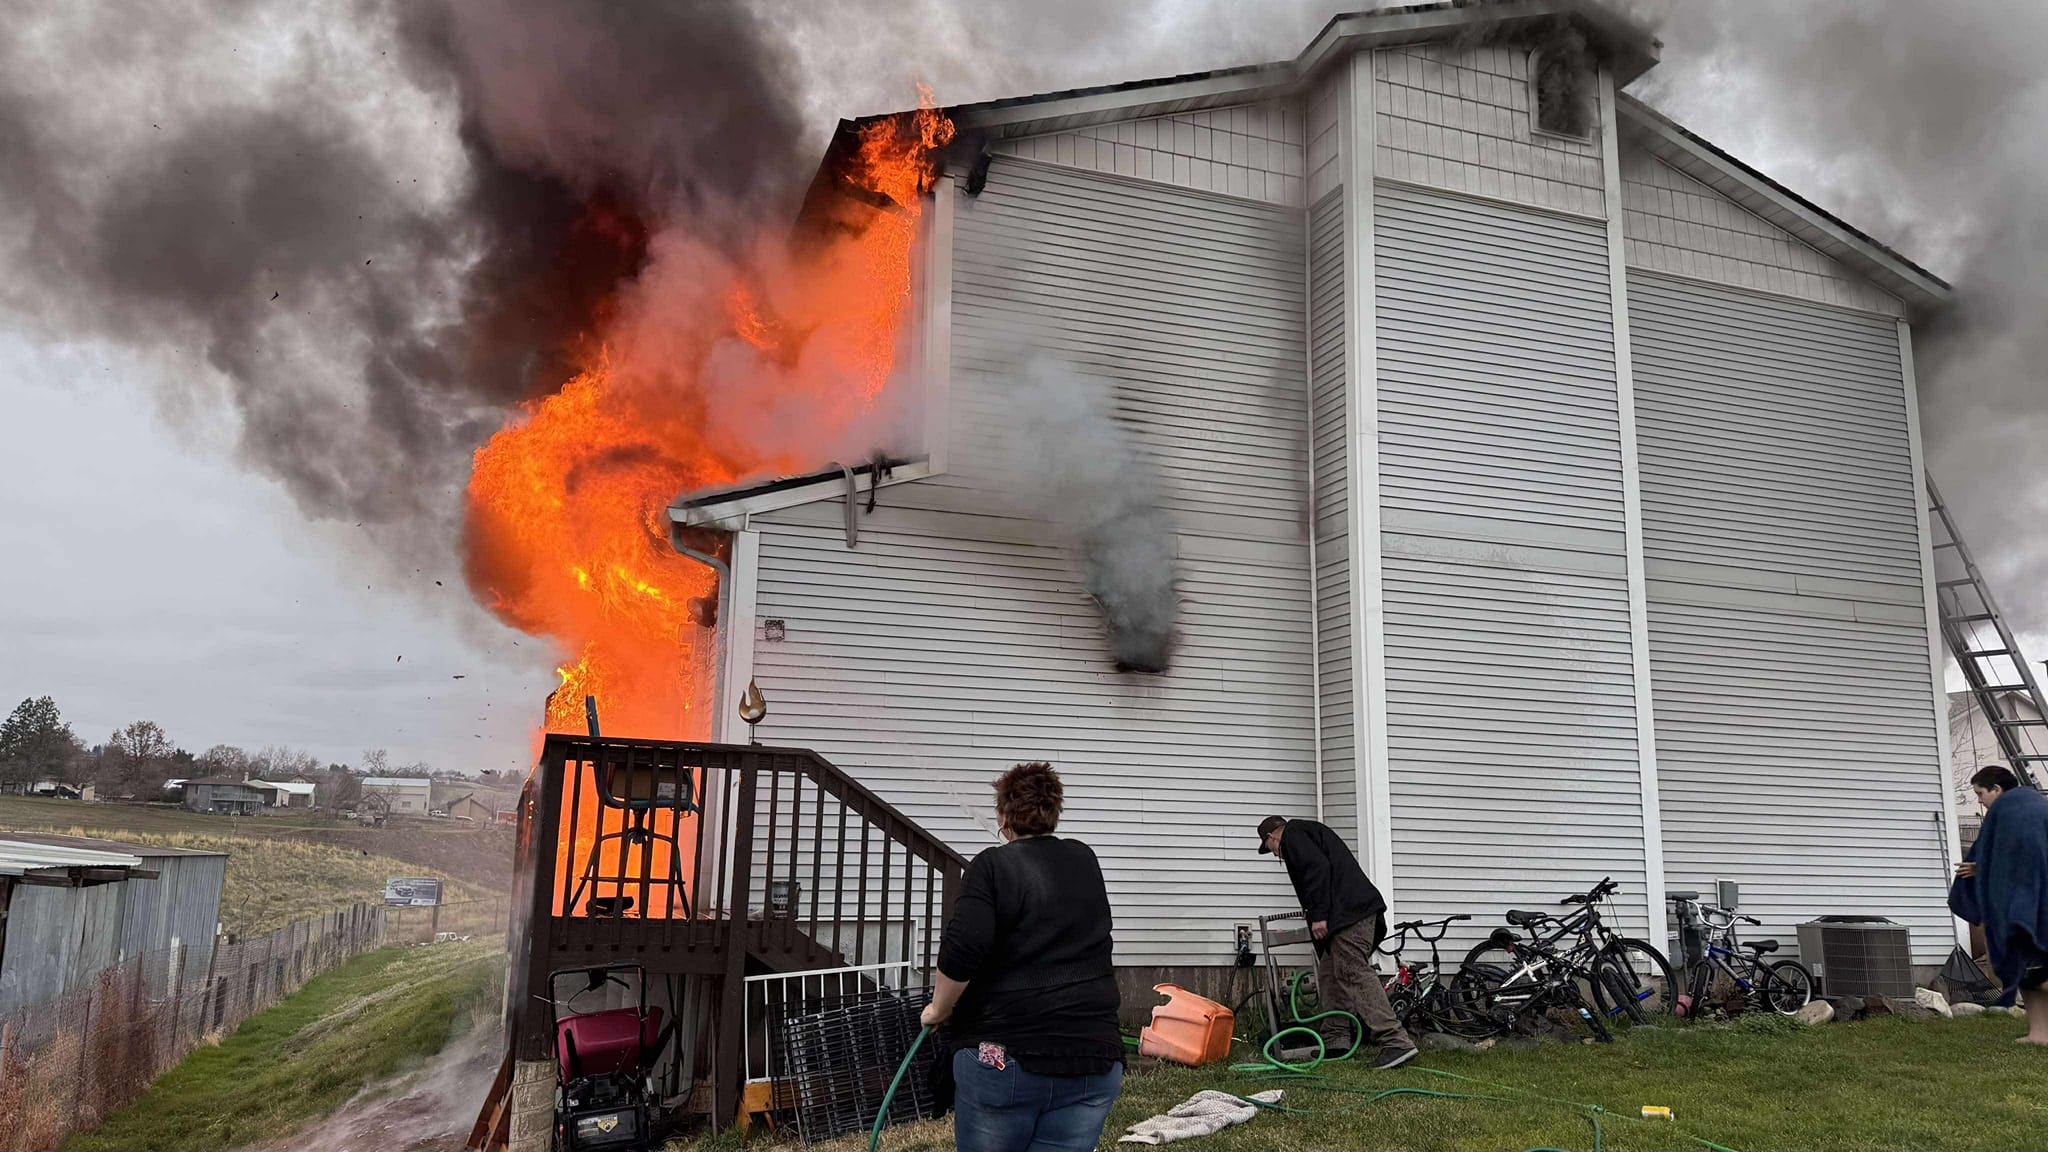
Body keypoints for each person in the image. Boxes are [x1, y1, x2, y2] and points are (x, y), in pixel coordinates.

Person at [922, 763, 1123, 1151]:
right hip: (1093, 1057)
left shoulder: (993, 865)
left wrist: (938, 1009)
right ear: (1053, 811)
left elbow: (963, 949)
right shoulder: (1084, 859)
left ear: (1002, 816)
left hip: (1006, 1059)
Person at [1257, 814, 1417, 1068]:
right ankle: (1335, 1039)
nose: (1278, 856)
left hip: (1350, 916)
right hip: (1352, 914)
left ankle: (1395, 1041)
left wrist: (1318, 915)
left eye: (1272, 850)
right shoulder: (1307, 832)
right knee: (1331, 974)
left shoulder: (1293, 836)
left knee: (1352, 971)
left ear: (1272, 837)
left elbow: (1316, 868)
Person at [1950, 764, 2048, 1044]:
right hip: (2032, 901)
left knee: (2034, 971)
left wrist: (1982, 870)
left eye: (1981, 793)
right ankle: (2040, 1034)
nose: (1979, 800)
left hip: (2027, 907)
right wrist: (1982, 867)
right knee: (2027, 976)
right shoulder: (2037, 805)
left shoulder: (2009, 811)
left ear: (1997, 789)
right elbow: (2018, 854)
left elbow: (2021, 854)